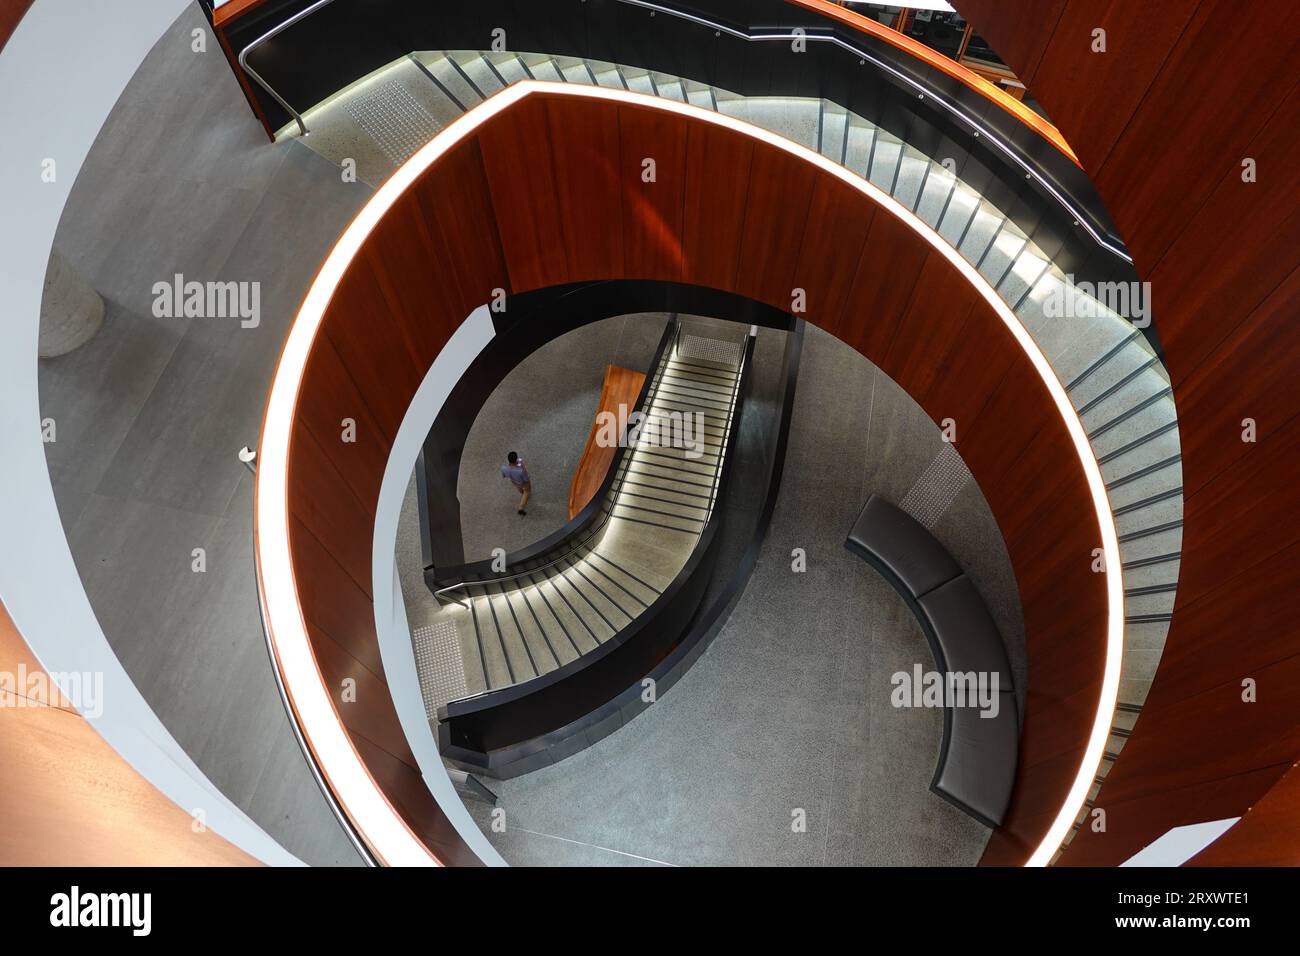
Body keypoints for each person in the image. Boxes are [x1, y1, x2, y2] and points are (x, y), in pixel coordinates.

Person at [500, 451, 532, 516]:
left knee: (519, 488)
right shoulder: (520, 471)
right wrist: (524, 470)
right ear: (516, 459)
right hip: (523, 483)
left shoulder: (503, 468)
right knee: (527, 491)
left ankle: (522, 493)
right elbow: (526, 479)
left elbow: (503, 475)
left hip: (514, 482)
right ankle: (521, 507)